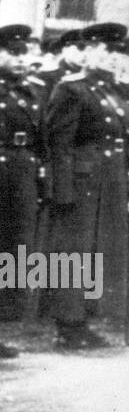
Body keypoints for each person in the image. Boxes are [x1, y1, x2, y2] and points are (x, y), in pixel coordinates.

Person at [44, 23, 129, 350]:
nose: (113, 58)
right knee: (73, 254)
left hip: (109, 183)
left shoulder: (114, 91)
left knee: (98, 253)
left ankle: (83, 320)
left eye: (117, 52)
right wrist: (62, 191)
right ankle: (66, 325)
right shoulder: (71, 89)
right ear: (89, 51)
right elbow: (59, 144)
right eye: (106, 51)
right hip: (81, 185)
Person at [0, 25, 45, 355]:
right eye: (12, 53)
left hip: (22, 174)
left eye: (22, 54)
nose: (19, 60)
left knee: (14, 252)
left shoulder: (30, 92)